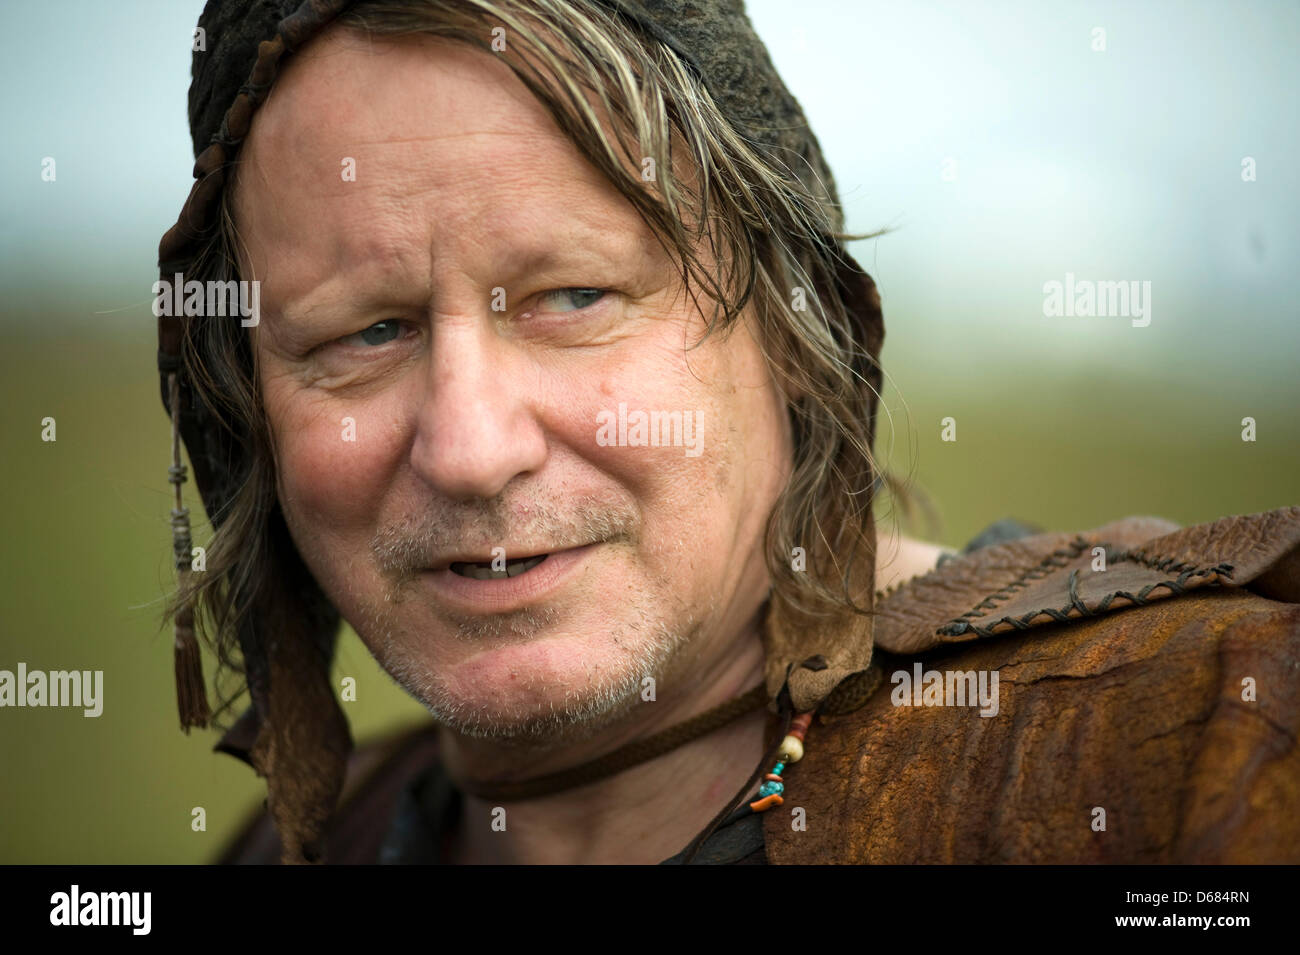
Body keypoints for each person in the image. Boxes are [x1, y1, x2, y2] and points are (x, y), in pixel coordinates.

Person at [156, 0, 1300, 865]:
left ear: (794, 329)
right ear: (244, 414)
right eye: (366, 332)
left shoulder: (1205, 747)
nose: (469, 448)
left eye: (573, 299)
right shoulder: (305, 848)